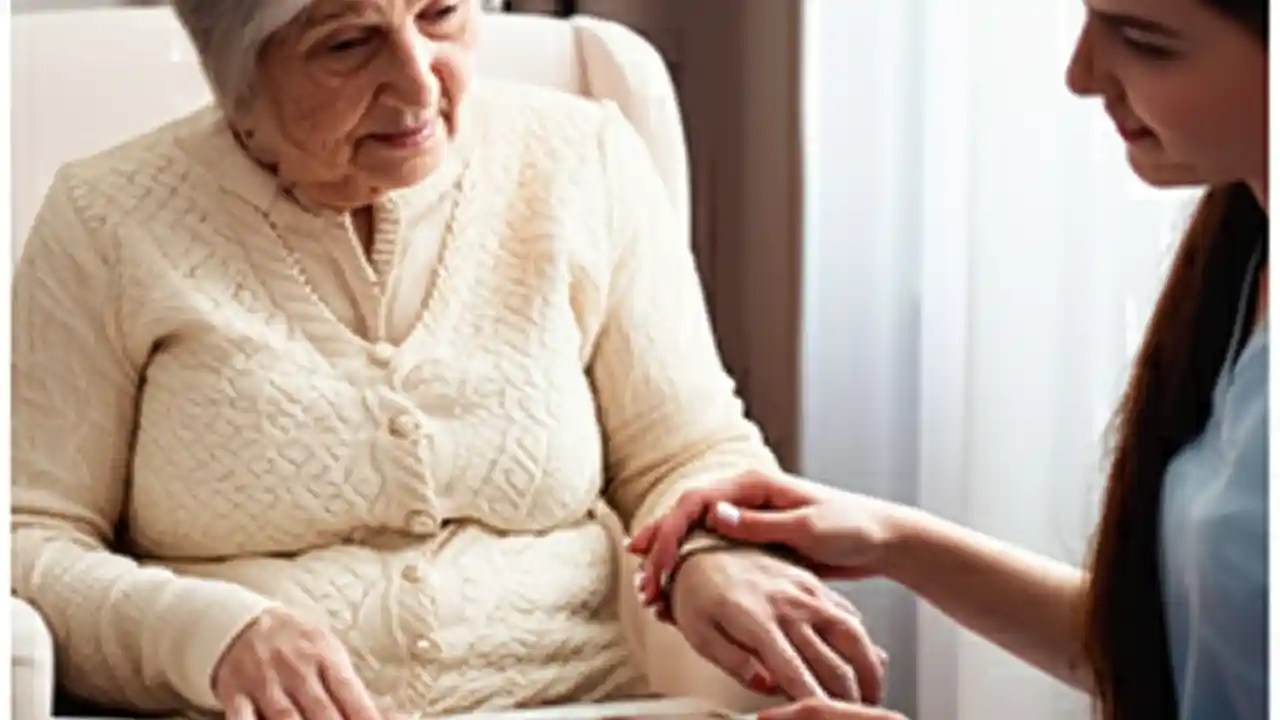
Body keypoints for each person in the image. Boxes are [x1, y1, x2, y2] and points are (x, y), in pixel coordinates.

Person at [9, 0, 886, 717]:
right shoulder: (108, 220)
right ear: (235, 71)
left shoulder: (582, 159)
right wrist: (208, 636)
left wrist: (709, 552)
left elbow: (688, 451)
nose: (418, 81)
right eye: (349, 44)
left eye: (440, 15)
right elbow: (26, 536)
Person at [630, 0, 1268, 718]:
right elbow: (1175, 656)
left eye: (1148, 42)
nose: (1081, 75)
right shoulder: (1245, 261)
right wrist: (896, 540)